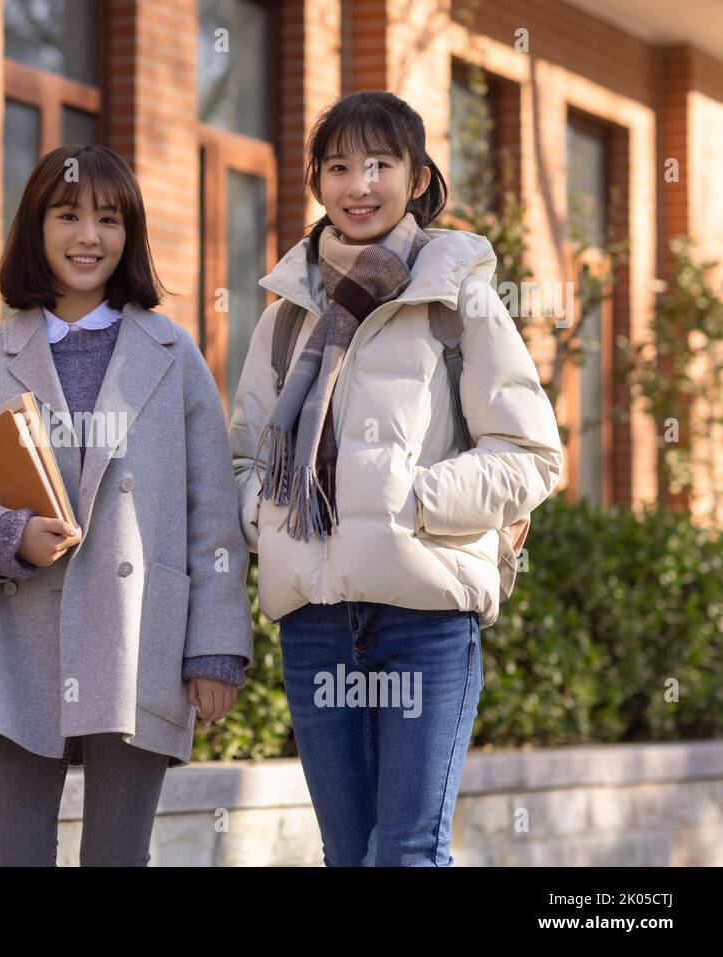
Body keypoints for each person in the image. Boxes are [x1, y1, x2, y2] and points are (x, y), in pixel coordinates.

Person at [229, 91, 564, 866]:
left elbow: (531, 452)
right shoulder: (288, 311)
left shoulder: (460, 299)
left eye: (380, 164)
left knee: (408, 850)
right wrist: (271, 514)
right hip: (314, 620)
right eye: (339, 167)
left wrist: (411, 502)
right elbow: (245, 457)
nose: (359, 185)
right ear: (317, 181)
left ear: (416, 178)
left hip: (426, 615)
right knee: (348, 852)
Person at [0, 144, 252, 866]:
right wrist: (7, 533)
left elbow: (212, 513)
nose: (88, 235)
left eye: (108, 218)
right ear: (35, 226)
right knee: (17, 855)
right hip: (17, 634)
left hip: (138, 639)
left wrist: (216, 646)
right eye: (67, 215)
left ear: (131, 234)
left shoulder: (174, 353)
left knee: (119, 856)